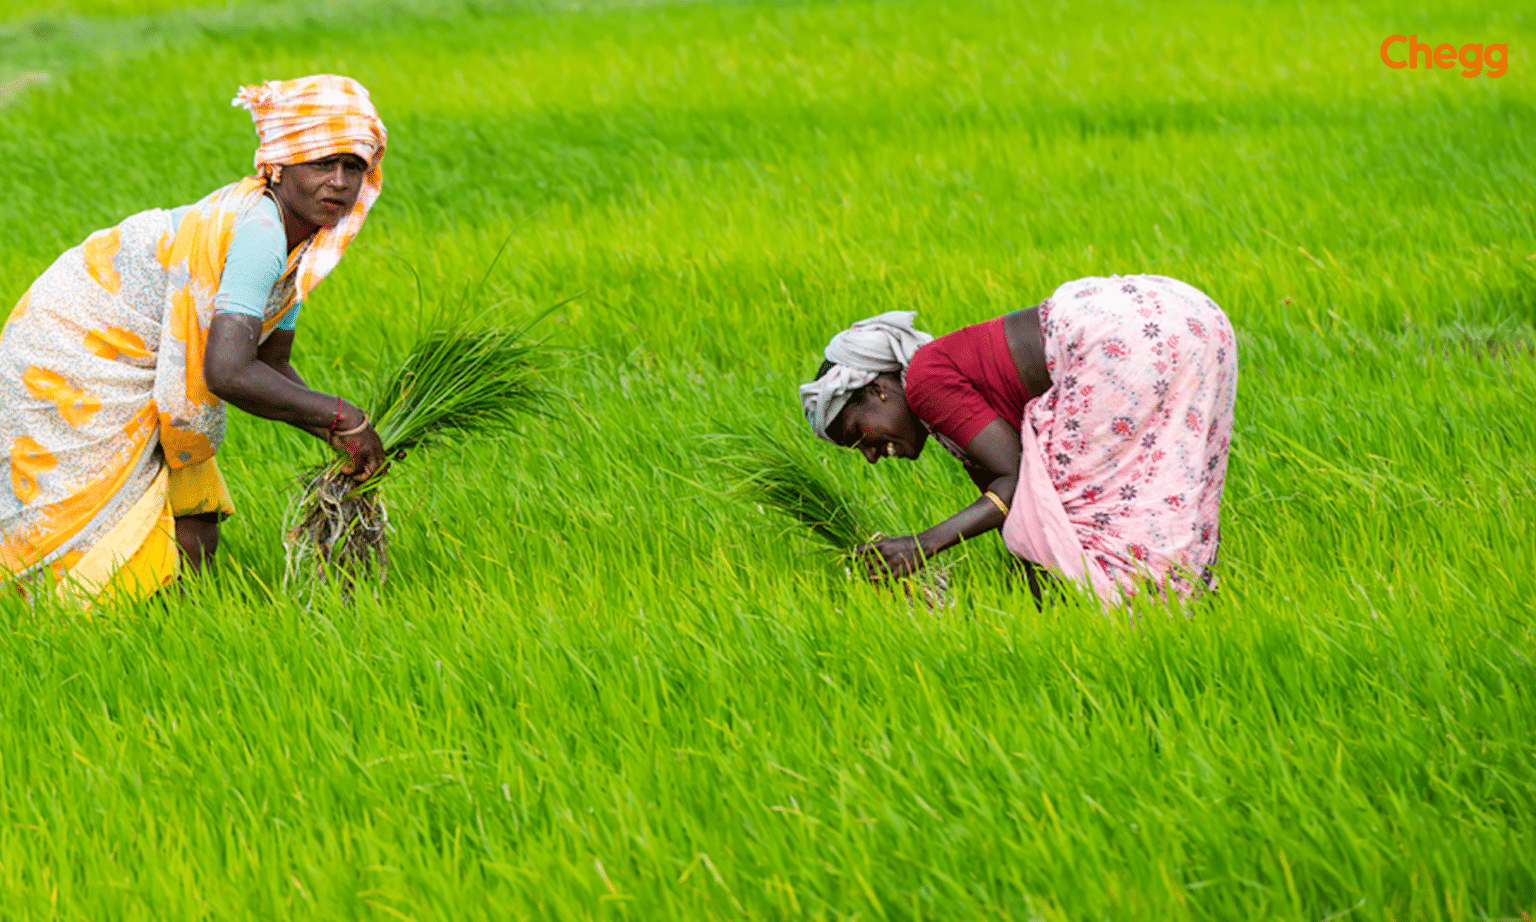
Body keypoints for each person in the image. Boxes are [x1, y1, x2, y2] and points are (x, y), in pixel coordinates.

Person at [0, 74, 390, 606]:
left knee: (196, 521)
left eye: (354, 166)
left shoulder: (301, 247)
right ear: (280, 165)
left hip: (125, 351)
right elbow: (228, 372)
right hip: (72, 353)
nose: (340, 182)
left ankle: (181, 618)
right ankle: (72, 614)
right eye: (322, 163)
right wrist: (345, 417)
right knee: (94, 513)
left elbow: (271, 362)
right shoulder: (260, 235)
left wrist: (338, 431)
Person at [799, 275, 1237, 605]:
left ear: (879, 390)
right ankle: (1189, 603)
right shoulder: (948, 384)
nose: (871, 456)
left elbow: (1018, 482)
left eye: (859, 436)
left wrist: (923, 545)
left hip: (1117, 340)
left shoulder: (924, 380)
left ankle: (1153, 614)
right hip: (1189, 316)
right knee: (1154, 491)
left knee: (1086, 527)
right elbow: (1021, 514)